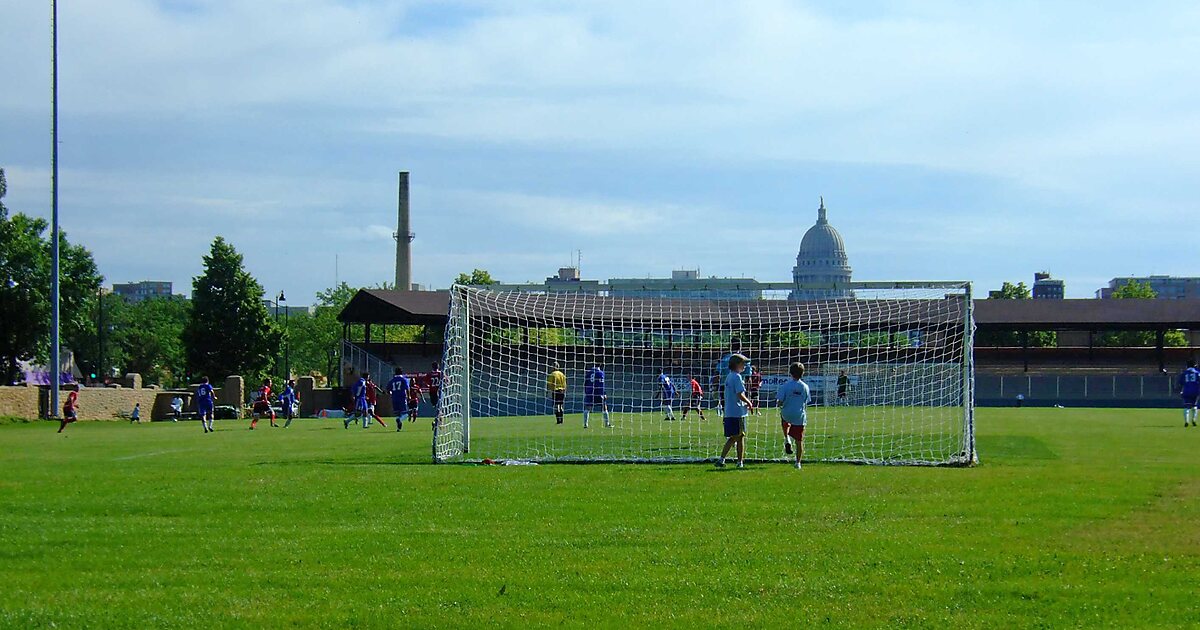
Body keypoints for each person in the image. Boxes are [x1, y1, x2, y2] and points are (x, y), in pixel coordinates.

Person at [717, 354, 753, 469]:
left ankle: (729, 460)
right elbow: (740, 393)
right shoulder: (737, 377)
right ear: (737, 364)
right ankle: (734, 461)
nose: (745, 366)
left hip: (730, 411)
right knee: (738, 436)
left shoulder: (729, 376)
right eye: (743, 364)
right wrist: (749, 402)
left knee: (736, 437)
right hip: (737, 412)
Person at [776, 362, 811, 469]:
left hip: (787, 413)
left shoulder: (786, 386)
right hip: (799, 414)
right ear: (803, 373)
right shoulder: (805, 387)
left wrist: (781, 403)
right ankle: (798, 463)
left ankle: (787, 439)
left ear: (790, 373)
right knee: (799, 440)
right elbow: (807, 401)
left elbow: (779, 402)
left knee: (783, 419)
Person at [583, 362, 611, 429]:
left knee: (587, 408)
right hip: (598, 393)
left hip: (590, 393)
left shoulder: (588, 373)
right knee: (604, 407)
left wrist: (586, 392)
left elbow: (585, 383)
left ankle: (585, 424)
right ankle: (607, 424)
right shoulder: (601, 373)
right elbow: (601, 384)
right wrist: (604, 394)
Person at [1178, 359, 1200, 427]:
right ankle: (1193, 420)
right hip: (1195, 391)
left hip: (1186, 391)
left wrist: (1181, 391)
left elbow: (1180, 383)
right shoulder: (1197, 372)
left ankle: (1186, 421)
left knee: (1186, 407)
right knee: (1195, 406)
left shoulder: (1184, 373)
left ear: (1187, 365)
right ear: (1194, 365)